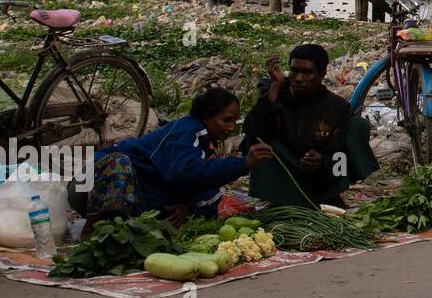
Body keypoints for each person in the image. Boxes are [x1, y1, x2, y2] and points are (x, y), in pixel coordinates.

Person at [81, 87, 272, 234]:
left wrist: (187, 208)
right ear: (207, 117)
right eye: (227, 120)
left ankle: (117, 230)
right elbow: (187, 172)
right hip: (89, 186)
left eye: (234, 121)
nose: (231, 127)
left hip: (139, 193)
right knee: (118, 163)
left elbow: (205, 190)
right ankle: (92, 230)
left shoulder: (207, 144)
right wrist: (242, 164)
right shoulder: (187, 131)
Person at [241, 44, 378, 207]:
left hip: (320, 177)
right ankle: (279, 197)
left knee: (357, 127)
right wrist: (275, 87)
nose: (298, 78)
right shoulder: (278, 95)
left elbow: (342, 156)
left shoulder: (337, 107)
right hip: (284, 172)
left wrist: (322, 161)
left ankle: (328, 196)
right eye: (294, 71)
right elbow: (251, 129)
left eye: (307, 72)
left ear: (322, 74)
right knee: (256, 138)